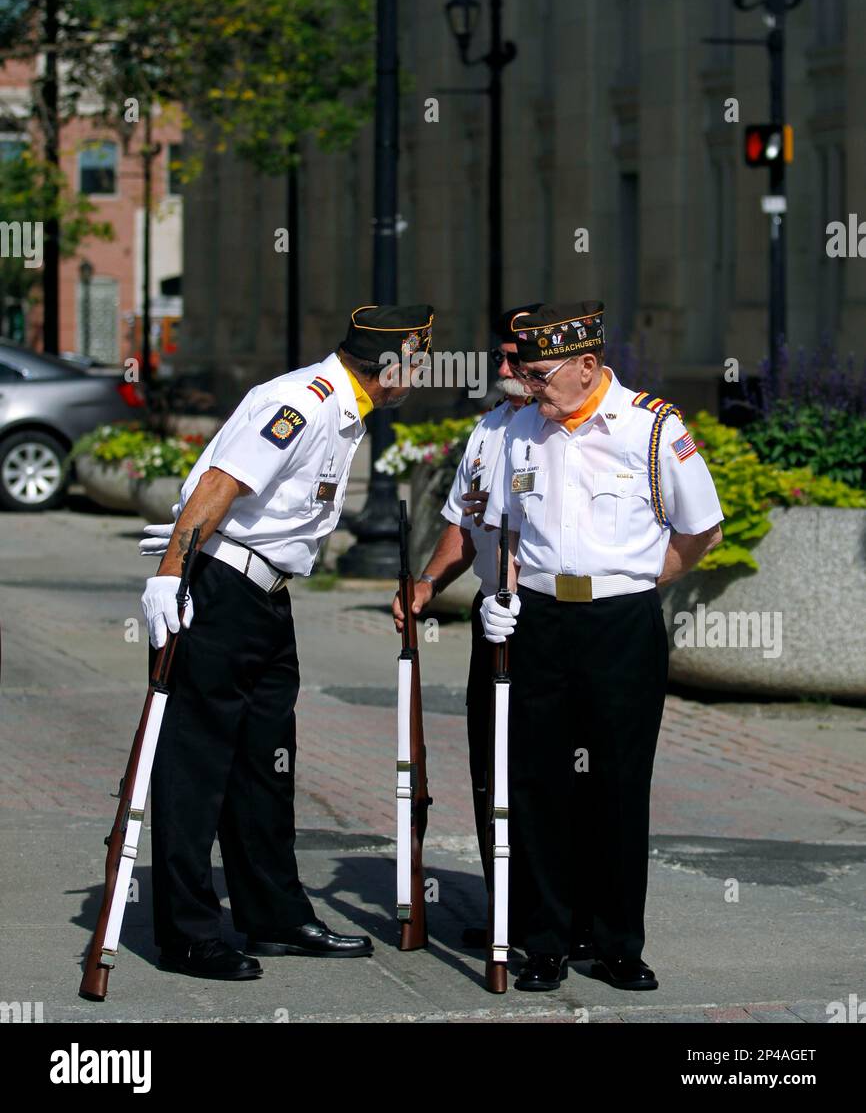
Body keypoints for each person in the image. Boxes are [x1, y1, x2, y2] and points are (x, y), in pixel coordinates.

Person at [140, 304, 434, 981]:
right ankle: (187, 933)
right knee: (196, 764)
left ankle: (272, 913)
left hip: (266, 597)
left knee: (266, 762)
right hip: (218, 588)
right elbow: (219, 484)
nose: (422, 371)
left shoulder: (345, 409)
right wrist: (169, 575)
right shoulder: (301, 403)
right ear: (389, 367)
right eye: (416, 359)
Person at [482, 301, 724, 993]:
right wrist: (503, 597)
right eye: (525, 374)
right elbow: (506, 530)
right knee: (536, 781)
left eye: (541, 375)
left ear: (588, 365)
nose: (530, 388)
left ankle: (618, 942)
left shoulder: (652, 429)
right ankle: (546, 940)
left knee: (618, 782)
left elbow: (701, 529)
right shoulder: (520, 430)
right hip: (538, 619)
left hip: (619, 623)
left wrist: (642, 584)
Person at [390, 305, 539, 948]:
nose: (503, 370)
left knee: (558, 770)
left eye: (515, 358)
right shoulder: (488, 430)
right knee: (493, 765)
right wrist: (429, 582)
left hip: (548, 616)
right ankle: (508, 905)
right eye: (499, 358)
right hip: (491, 614)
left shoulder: (565, 430)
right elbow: (463, 523)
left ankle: (569, 917)